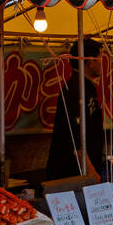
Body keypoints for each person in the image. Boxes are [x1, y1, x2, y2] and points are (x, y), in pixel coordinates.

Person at [45, 37, 106, 181]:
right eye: (100, 57)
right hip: (70, 175)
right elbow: (76, 140)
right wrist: (92, 175)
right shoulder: (75, 90)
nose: (103, 63)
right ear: (90, 61)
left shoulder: (87, 88)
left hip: (83, 172)